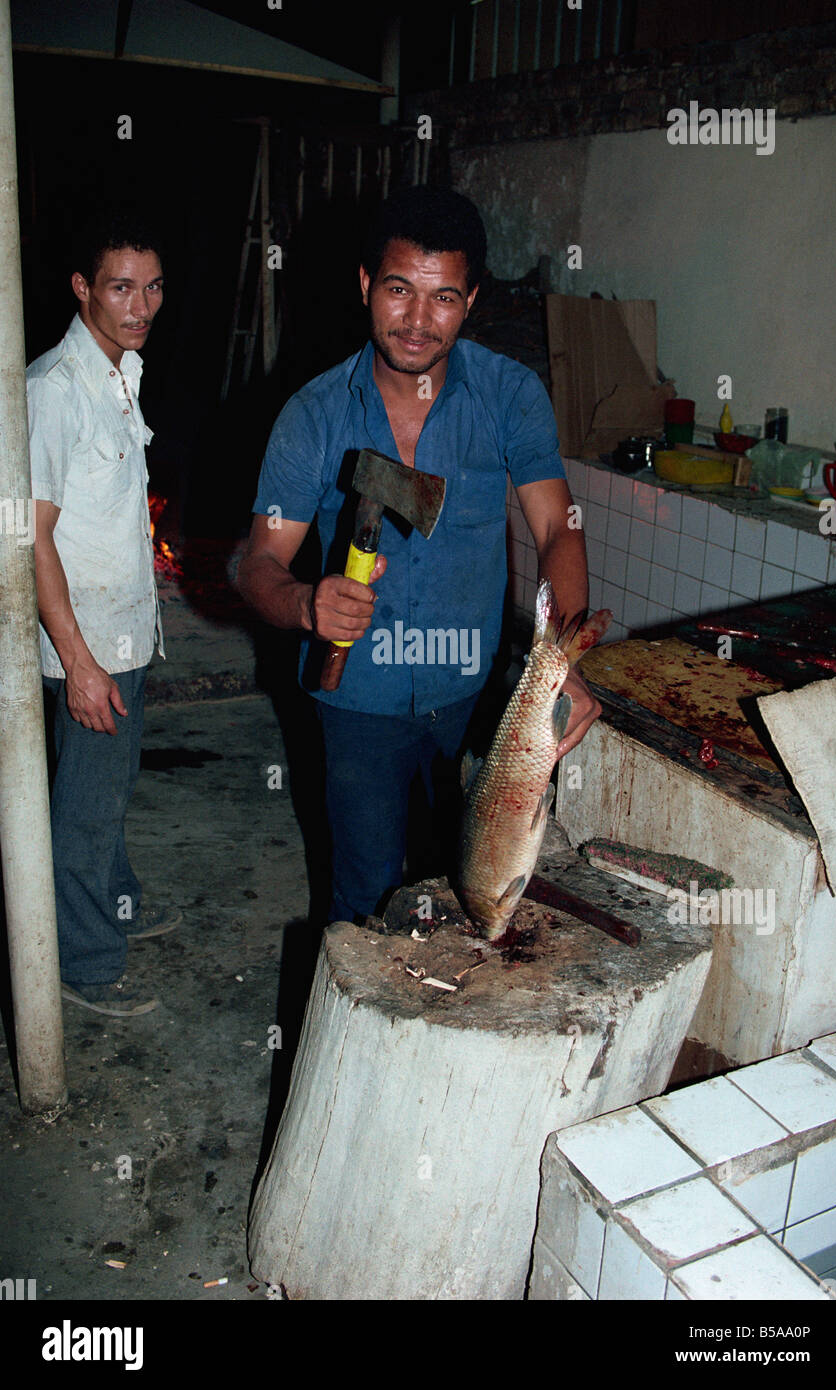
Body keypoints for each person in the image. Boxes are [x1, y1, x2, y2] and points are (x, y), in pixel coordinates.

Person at [238, 186, 600, 925]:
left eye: (443, 299)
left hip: (473, 700)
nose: (417, 321)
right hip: (356, 702)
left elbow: (558, 529)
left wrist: (560, 667)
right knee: (364, 899)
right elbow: (254, 564)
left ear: (470, 299)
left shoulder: (509, 396)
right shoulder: (313, 416)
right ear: (367, 284)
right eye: (400, 291)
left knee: (476, 887)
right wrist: (307, 602)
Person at [27, 212, 179, 1016]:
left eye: (153, 287)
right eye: (122, 287)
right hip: (81, 643)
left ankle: (115, 904)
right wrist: (79, 662)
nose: (141, 305)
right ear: (84, 287)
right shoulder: (53, 390)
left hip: (121, 633)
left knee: (106, 792)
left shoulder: (124, 371)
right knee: (83, 811)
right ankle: (81, 964)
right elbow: (33, 538)